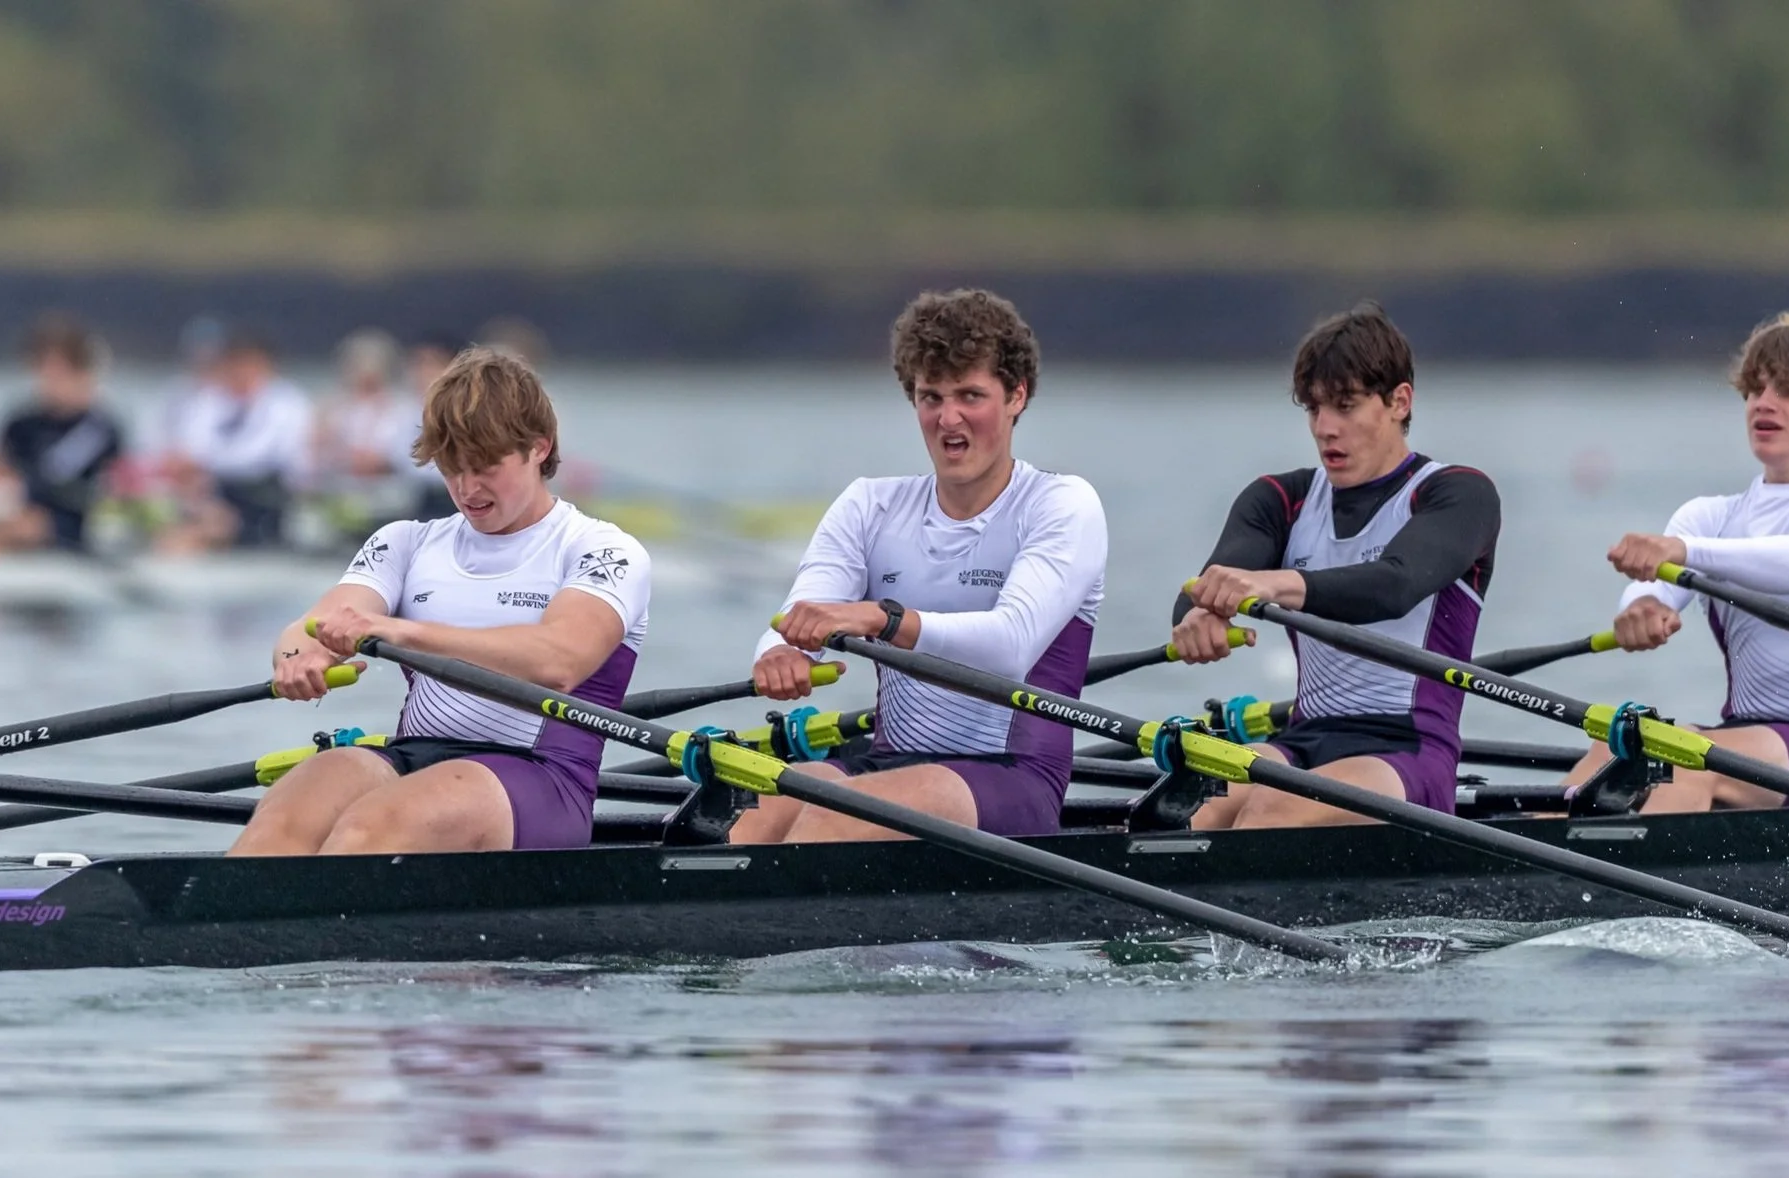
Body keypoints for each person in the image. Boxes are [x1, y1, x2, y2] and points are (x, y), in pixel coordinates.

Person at [228, 347, 651, 856]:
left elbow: (560, 659)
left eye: (485, 467)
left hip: (540, 780)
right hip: (414, 757)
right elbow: (316, 624)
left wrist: (401, 631)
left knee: (371, 827)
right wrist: (300, 657)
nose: (467, 488)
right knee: (289, 810)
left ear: (539, 448)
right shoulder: (406, 542)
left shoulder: (601, 549)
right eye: (451, 469)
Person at [739, 289, 1106, 844]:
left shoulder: (1060, 505)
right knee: (748, 813)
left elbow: (1010, 647)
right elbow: (802, 613)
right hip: (891, 763)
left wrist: (882, 619)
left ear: (1017, 397)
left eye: (970, 395)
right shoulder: (871, 505)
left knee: (826, 820)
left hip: (1011, 779)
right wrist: (781, 653)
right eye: (930, 396)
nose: (948, 418)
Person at [1564, 311, 1789, 812]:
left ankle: (1586, 881)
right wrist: (1641, 605)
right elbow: (1657, 588)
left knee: (1681, 758)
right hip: (1743, 744)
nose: (1764, 404)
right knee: (1614, 746)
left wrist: (1681, 555)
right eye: (1754, 389)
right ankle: (1513, 872)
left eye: (1788, 391)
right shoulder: (1709, 516)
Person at [1174, 302, 1500, 825]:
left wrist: (1272, 584)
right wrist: (1199, 616)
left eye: (1345, 406)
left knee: (1271, 811)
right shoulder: (1280, 499)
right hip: (1301, 742)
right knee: (1189, 806)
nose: (1325, 428)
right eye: (1314, 409)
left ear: (1399, 401)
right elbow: (1212, 583)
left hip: (1407, 753)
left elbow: (1395, 585)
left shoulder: (1457, 494)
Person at [0, 314, 127, 553]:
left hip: (73, 522)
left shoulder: (99, 429)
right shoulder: (19, 423)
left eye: (58, 371)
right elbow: (2, 468)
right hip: (18, 515)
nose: (47, 380)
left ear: (81, 373)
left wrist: (13, 476)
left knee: (21, 528)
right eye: (41, 369)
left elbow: (56, 477)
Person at [155, 330, 314, 552]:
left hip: (263, 496)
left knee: (206, 521)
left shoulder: (287, 404)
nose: (241, 373)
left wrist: (203, 464)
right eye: (235, 365)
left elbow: (260, 456)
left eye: (249, 365)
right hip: (213, 492)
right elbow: (190, 448)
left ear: (266, 367)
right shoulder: (209, 400)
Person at [316, 328, 420, 484]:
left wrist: (379, 459)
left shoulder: (404, 408)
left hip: (390, 483)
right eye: (358, 366)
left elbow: (410, 452)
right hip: (339, 481)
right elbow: (316, 450)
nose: (365, 374)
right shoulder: (331, 408)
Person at [404, 331, 467, 521]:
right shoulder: (404, 414)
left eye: (431, 364)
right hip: (419, 503)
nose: (423, 373)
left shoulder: (473, 416)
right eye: (419, 364)